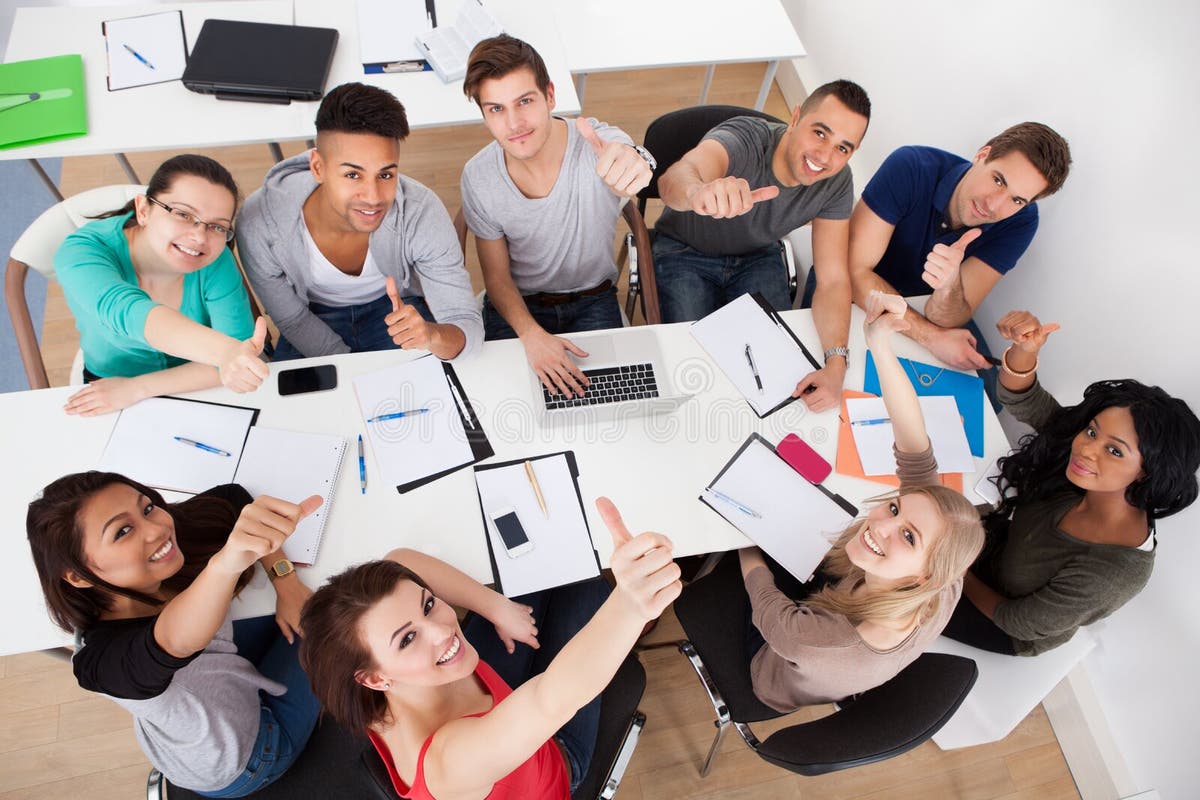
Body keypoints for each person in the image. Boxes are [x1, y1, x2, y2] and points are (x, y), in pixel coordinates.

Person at [299, 498, 681, 799]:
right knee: (592, 587)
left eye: (428, 604)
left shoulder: (384, 677)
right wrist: (630, 605)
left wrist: (494, 606)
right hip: (551, 756)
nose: (443, 629)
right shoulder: (449, 763)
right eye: (408, 638)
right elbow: (548, 701)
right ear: (374, 677)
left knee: (545, 563)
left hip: (492, 692)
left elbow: (398, 562)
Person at [739, 291, 984, 710]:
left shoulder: (818, 641)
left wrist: (742, 531)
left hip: (772, 675)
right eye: (894, 508)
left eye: (908, 537)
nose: (882, 524)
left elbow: (769, 608)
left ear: (926, 573)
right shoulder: (944, 577)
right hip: (838, 621)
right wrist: (879, 345)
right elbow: (914, 443)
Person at [25, 472, 323, 796]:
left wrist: (286, 581)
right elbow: (170, 642)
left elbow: (233, 499)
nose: (157, 528)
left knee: (311, 605)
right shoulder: (104, 665)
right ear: (78, 576)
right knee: (335, 615)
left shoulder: (160, 541)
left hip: (220, 694)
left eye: (148, 507)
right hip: (245, 758)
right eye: (122, 531)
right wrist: (225, 564)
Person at [943, 311, 1200, 656]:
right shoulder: (1086, 464)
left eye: (1114, 450)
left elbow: (1016, 620)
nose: (1086, 448)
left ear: (1147, 472)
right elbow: (1023, 396)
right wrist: (1025, 350)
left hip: (999, 618)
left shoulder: (1114, 572)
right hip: (986, 552)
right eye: (1092, 431)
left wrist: (954, 567)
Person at [652, 80, 871, 412]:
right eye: (820, 133)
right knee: (695, 372)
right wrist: (697, 193)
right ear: (795, 118)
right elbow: (677, 178)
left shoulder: (837, 182)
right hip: (685, 251)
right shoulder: (746, 138)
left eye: (843, 147)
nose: (825, 157)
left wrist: (836, 366)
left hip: (757, 255)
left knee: (776, 373)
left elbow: (833, 279)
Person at [460, 34, 653, 398]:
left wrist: (638, 163)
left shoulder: (596, 144)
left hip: (593, 299)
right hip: (519, 306)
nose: (514, 123)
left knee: (613, 403)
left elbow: (630, 156)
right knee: (504, 406)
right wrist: (532, 336)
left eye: (525, 101)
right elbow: (497, 280)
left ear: (550, 95)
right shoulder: (477, 176)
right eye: (496, 109)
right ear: (484, 114)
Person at [236, 82, 482, 362]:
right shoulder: (260, 224)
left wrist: (431, 334)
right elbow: (292, 320)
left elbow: (466, 326)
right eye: (353, 175)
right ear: (318, 167)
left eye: (386, 175)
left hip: (397, 313)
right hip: (311, 319)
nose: (374, 197)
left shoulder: (421, 212)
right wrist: (351, 368)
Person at [847, 123, 1072, 373]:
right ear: (982, 155)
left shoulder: (1021, 220)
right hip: (859, 292)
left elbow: (948, 316)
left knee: (986, 390)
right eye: (998, 180)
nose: (993, 206)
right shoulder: (910, 166)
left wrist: (948, 286)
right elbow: (853, 272)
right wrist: (930, 336)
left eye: (1017, 199)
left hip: (925, 309)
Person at [55, 154, 269, 416]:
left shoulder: (217, 258)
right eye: (182, 214)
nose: (199, 237)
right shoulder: (82, 251)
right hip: (110, 385)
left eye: (217, 226)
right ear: (144, 210)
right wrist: (226, 354)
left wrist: (136, 388)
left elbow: (233, 360)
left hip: (193, 384)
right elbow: (129, 312)